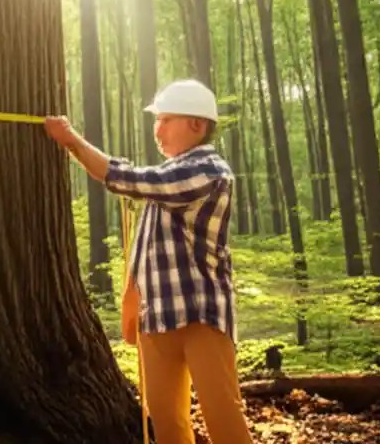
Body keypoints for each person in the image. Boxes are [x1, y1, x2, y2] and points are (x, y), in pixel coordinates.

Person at [45, 79, 253, 444]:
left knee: (223, 416)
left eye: (166, 119)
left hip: (202, 315)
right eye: (157, 120)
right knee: (167, 422)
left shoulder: (208, 171)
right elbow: (145, 249)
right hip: (157, 318)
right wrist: (131, 300)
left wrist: (72, 142)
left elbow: (128, 177)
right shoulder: (168, 180)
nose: (157, 129)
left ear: (197, 125)